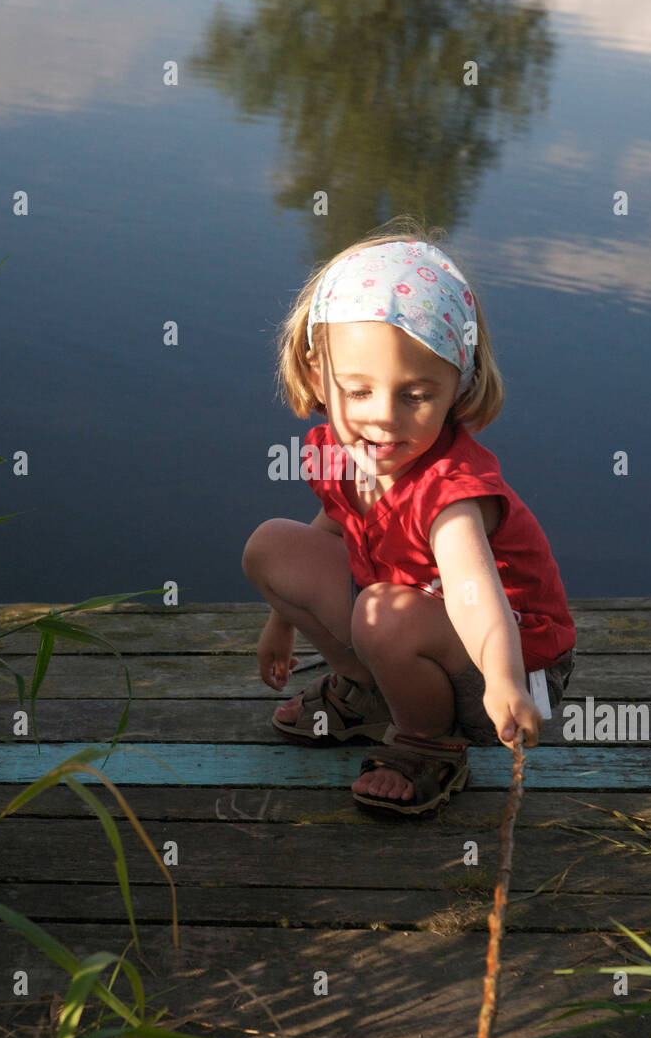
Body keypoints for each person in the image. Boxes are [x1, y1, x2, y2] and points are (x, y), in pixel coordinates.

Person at [242, 223, 577, 816]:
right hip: (423, 631)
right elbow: (333, 528)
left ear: (459, 384)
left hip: (511, 669)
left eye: (415, 395)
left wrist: (504, 679)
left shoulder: (451, 490)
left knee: (382, 611)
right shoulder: (339, 452)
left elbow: (475, 594)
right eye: (358, 391)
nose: (383, 421)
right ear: (319, 374)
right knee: (272, 546)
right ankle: (374, 694)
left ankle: (429, 744)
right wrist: (282, 625)